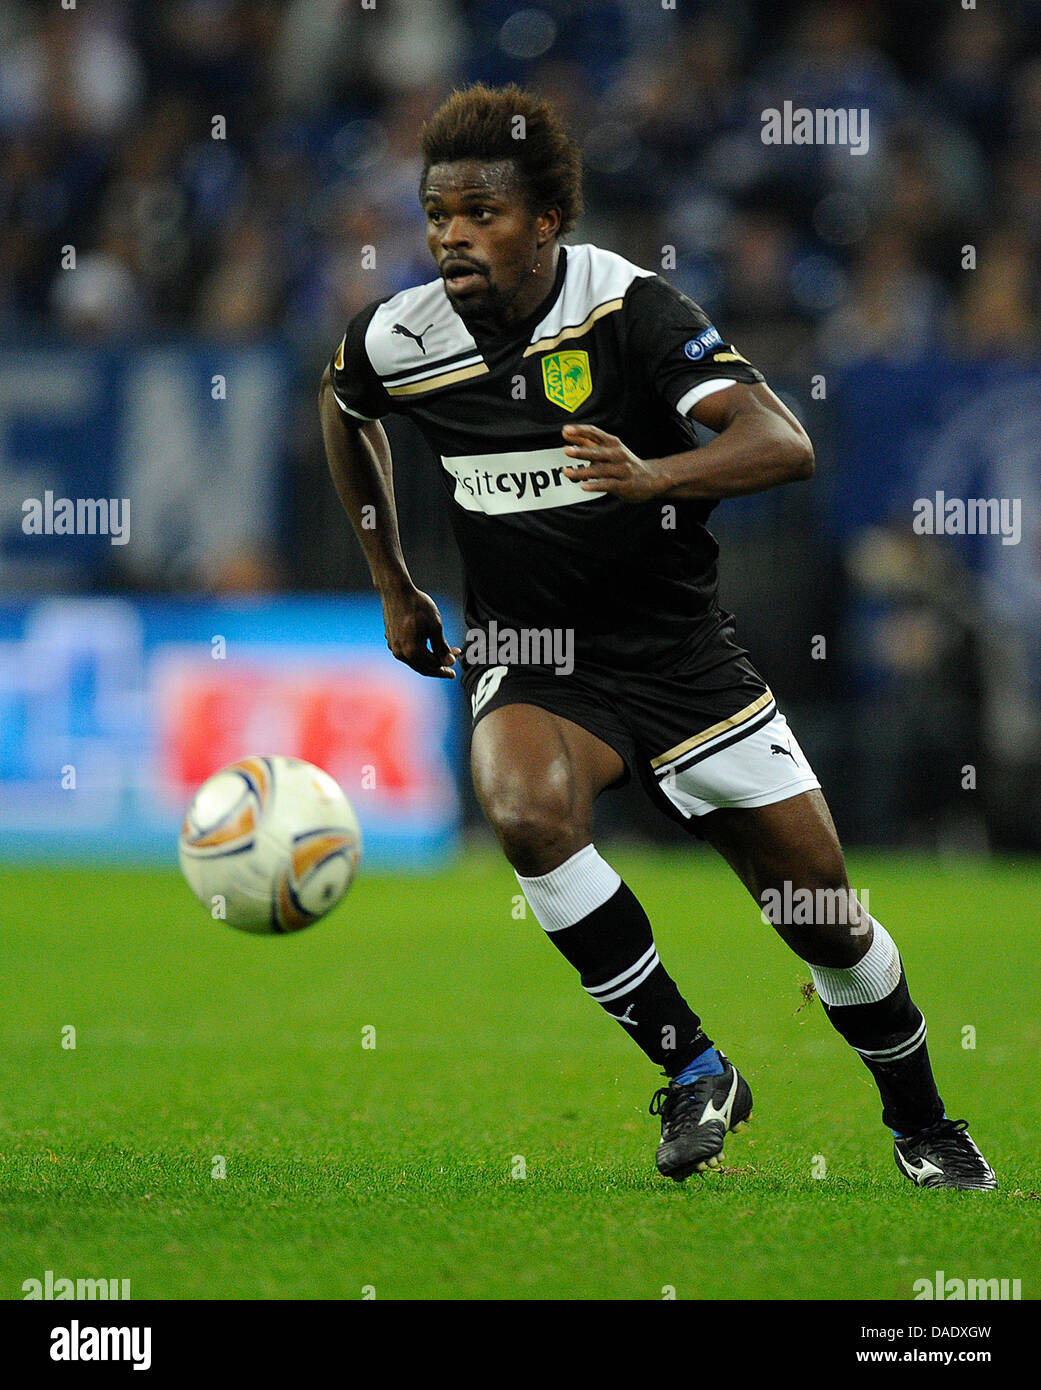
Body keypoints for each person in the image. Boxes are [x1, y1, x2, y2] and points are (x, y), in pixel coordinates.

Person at [318, 84, 995, 1189]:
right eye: (438, 213)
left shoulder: (629, 309)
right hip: (534, 657)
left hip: (680, 654)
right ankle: (693, 1070)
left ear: (546, 221)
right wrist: (393, 580)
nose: (451, 235)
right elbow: (343, 412)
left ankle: (920, 1119)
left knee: (822, 918)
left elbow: (783, 441)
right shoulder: (400, 335)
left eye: (480, 212)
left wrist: (655, 474)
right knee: (527, 812)